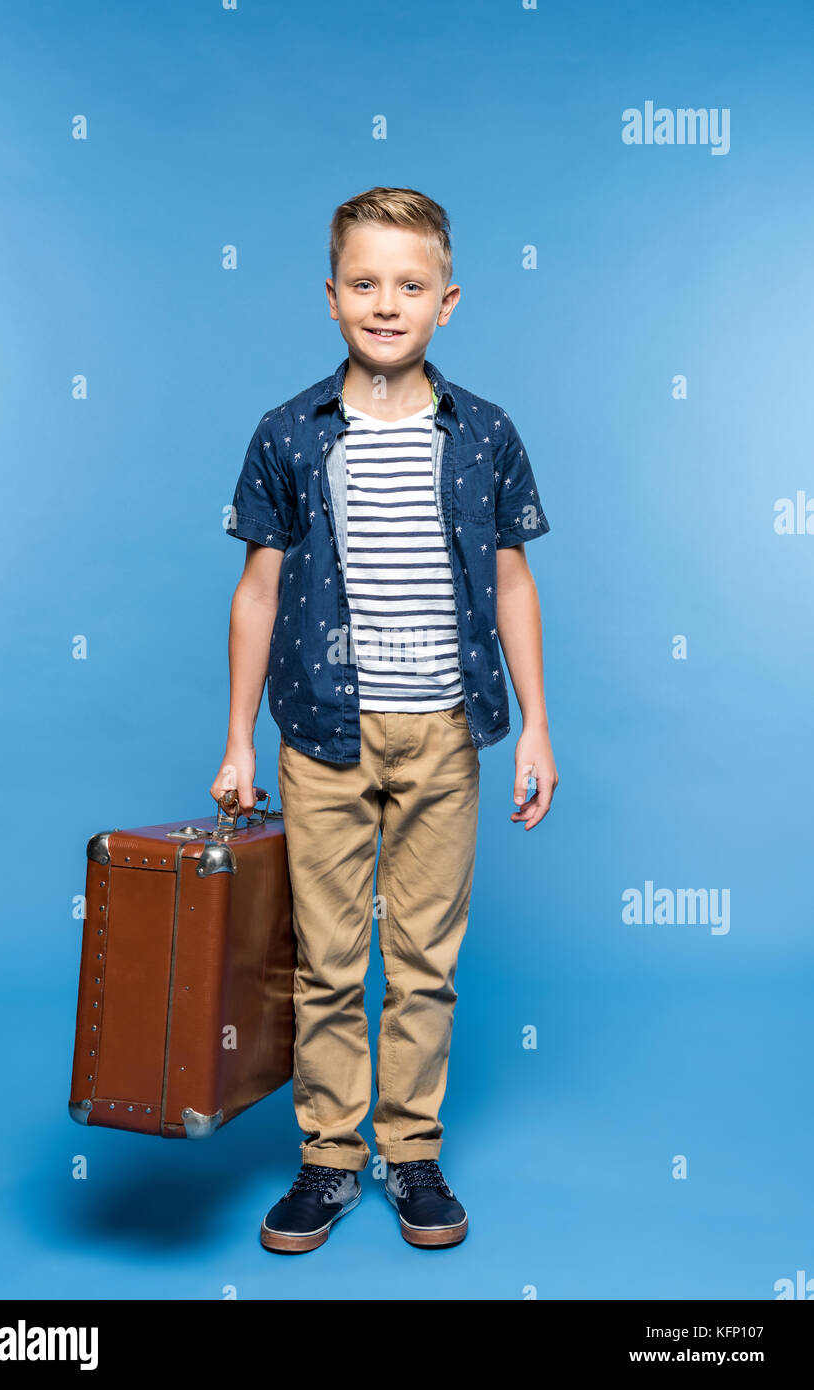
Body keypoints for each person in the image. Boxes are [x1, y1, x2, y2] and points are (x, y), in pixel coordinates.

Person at [211, 186, 558, 1253]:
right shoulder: (289, 433)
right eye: (364, 283)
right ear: (331, 298)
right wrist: (235, 737)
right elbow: (260, 591)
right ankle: (327, 1158)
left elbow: (510, 584)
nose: (386, 303)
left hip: (446, 730)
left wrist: (538, 727)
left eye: (410, 286)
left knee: (421, 956)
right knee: (323, 956)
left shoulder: (485, 433)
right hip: (318, 732)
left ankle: (410, 1151)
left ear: (447, 302)